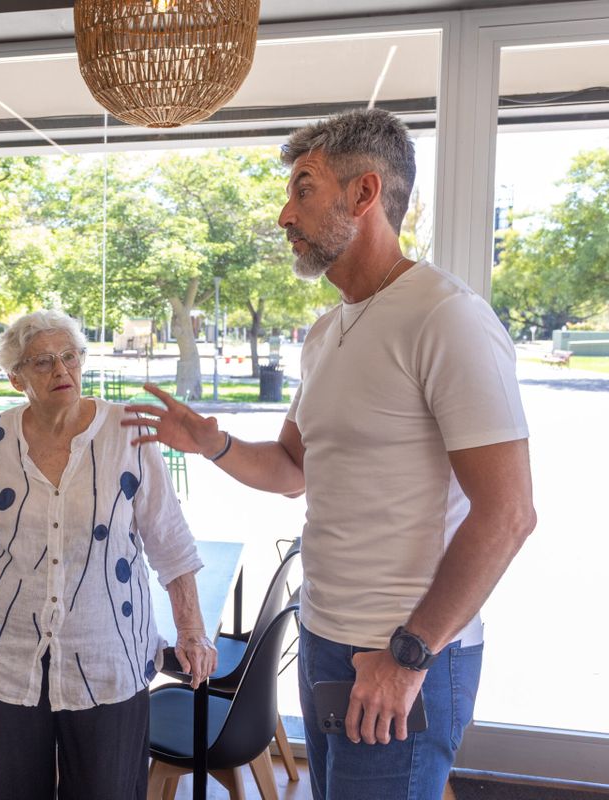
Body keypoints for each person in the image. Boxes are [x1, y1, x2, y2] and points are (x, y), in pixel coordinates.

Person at [124, 109, 536, 800]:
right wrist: (212, 443)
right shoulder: (325, 333)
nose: (285, 214)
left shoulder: (449, 318)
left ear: (364, 194)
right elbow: (293, 470)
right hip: (327, 639)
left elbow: (509, 513)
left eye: (304, 189)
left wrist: (408, 658)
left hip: (403, 649)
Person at [0, 309, 216, 800]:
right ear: (16, 378)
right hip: (8, 654)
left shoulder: (128, 431)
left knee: (107, 790)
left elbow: (167, 535)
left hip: (108, 651)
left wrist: (192, 630)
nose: (62, 371)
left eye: (70, 357)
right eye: (43, 362)